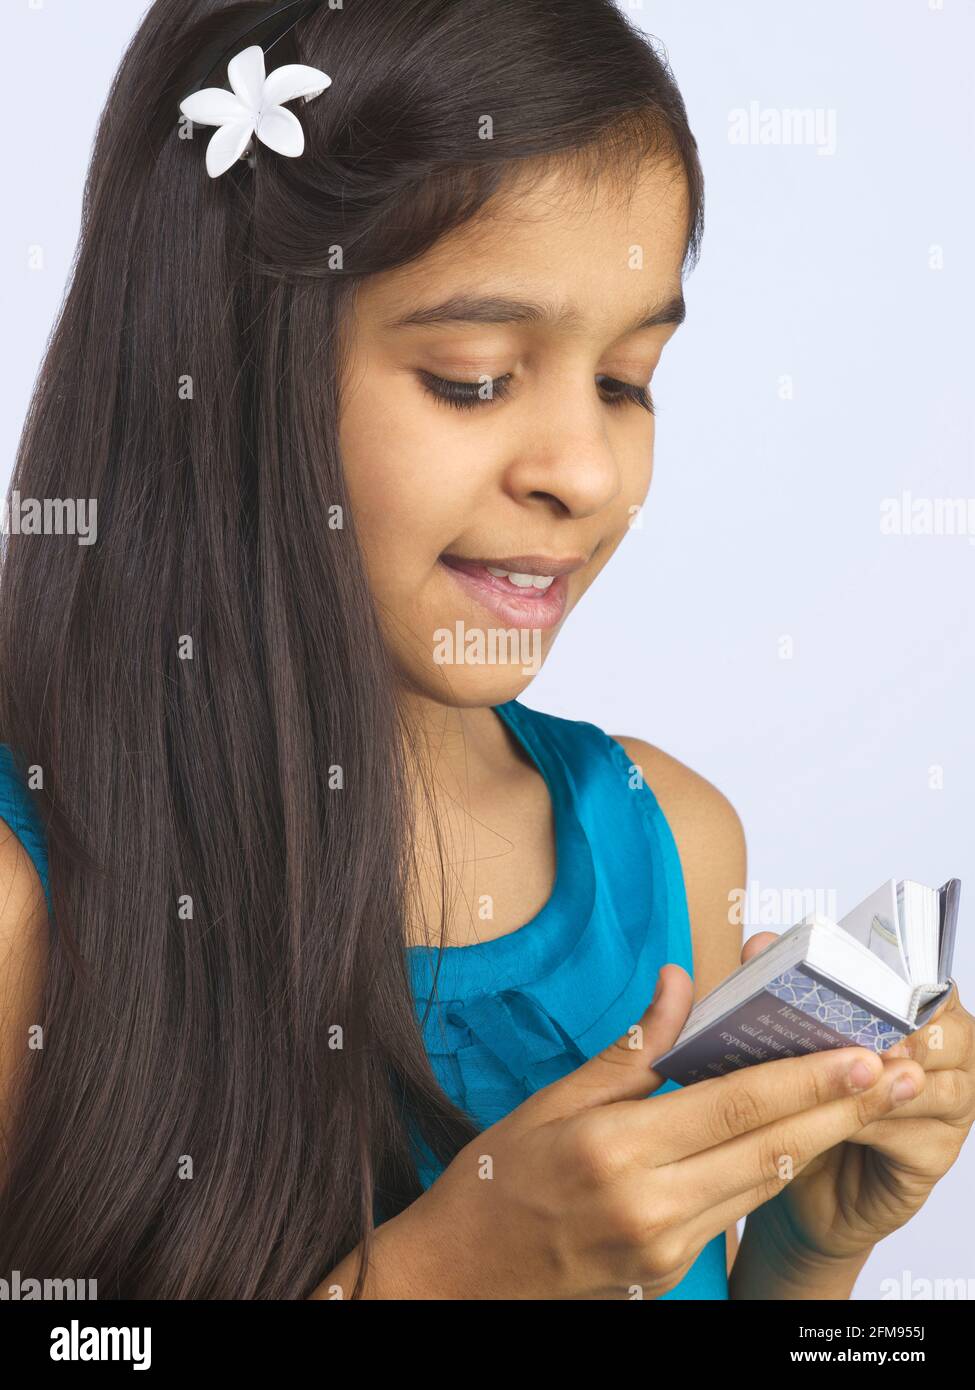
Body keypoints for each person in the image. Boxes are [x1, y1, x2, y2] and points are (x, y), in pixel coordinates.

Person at [0, 0, 971, 1301]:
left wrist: (806, 1251)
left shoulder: (674, 846)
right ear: (228, 374)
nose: (585, 469)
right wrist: (441, 1276)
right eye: (473, 377)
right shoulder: (27, 906)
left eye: (628, 380)